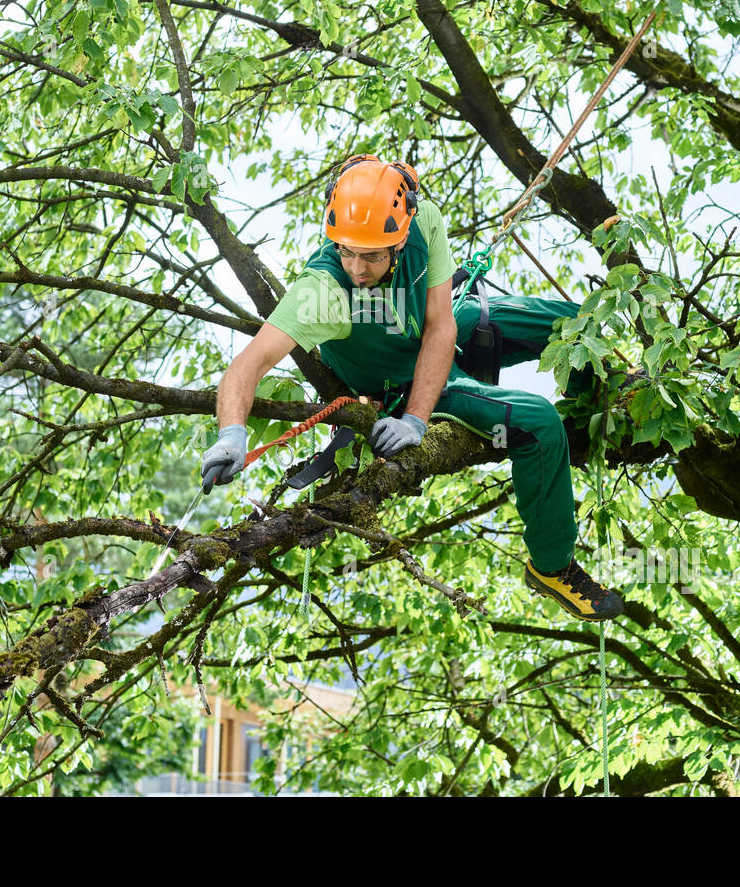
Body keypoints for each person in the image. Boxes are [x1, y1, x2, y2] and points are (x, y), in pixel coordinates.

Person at [200, 154, 624, 621]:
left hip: (434, 330)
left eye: (372, 256)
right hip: (406, 379)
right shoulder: (325, 290)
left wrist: (418, 421)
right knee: (539, 422)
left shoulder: (423, 223)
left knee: (574, 328)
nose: (358, 268)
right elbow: (248, 364)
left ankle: (604, 407)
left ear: (399, 241)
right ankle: (552, 566)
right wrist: (232, 433)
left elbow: (442, 325)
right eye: (346, 251)